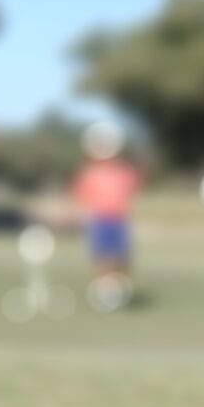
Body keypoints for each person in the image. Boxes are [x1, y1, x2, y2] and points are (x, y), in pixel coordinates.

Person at [71, 121, 142, 309]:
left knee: (122, 259)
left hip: (119, 219)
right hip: (100, 220)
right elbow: (81, 196)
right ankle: (102, 292)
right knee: (101, 258)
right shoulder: (89, 172)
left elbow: (132, 191)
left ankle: (118, 290)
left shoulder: (124, 171)